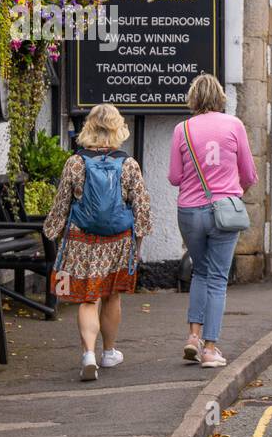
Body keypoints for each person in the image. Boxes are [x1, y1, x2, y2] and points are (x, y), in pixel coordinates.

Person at [43, 104, 152, 382]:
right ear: (119, 129)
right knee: (111, 295)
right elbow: (141, 209)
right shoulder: (128, 164)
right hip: (117, 241)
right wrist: (138, 244)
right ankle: (109, 352)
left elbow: (61, 206)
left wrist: (51, 232)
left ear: (89, 127)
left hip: (82, 239)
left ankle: (88, 354)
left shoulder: (75, 163)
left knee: (87, 298)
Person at [168, 74, 258, 369]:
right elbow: (249, 174)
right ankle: (210, 348)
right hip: (224, 211)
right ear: (221, 97)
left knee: (200, 273)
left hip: (190, 211)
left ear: (193, 98)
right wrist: (234, 190)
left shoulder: (182, 129)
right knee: (218, 279)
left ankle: (192, 337)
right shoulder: (234, 126)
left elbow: (174, 177)